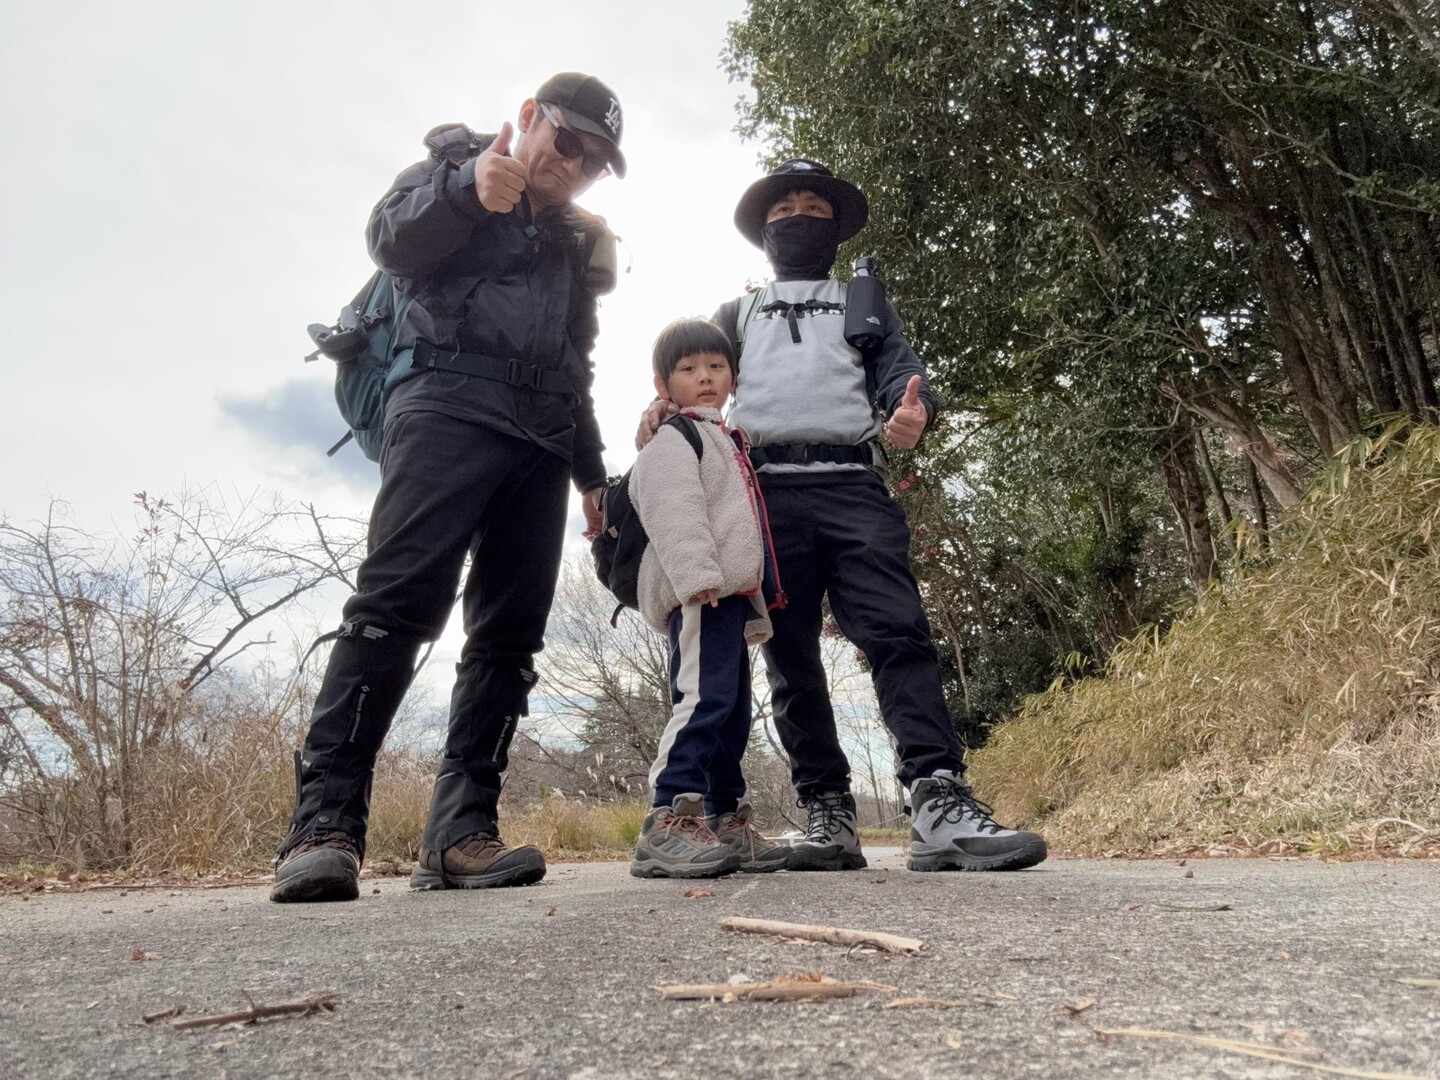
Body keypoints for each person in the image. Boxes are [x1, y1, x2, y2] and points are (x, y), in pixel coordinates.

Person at [272, 72, 627, 903]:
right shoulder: (452, 171)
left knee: (510, 635)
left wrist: (591, 474)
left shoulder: (576, 243)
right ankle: (323, 827)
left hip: (540, 436)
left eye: (596, 159)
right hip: (442, 409)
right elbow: (388, 240)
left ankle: (460, 832)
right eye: (568, 140)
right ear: (531, 117)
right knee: (394, 604)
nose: (575, 164)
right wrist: (468, 192)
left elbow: (577, 365)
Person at [638, 160, 1047, 873]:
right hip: (761, 495)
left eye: (813, 207)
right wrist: (661, 415)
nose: (797, 216)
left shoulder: (865, 305)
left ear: (835, 229)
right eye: (783, 207)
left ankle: (937, 795)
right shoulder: (736, 316)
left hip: (854, 483)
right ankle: (828, 812)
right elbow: (695, 382)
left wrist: (913, 413)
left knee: (896, 630)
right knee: (789, 656)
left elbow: (902, 377)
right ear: (763, 233)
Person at [627, 319, 792, 879]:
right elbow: (674, 511)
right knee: (700, 700)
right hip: (702, 591)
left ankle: (724, 816)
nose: (704, 377)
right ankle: (669, 813)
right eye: (689, 369)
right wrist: (697, 575)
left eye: (716, 367)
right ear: (662, 382)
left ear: (734, 377)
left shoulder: (725, 437)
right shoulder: (676, 439)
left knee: (732, 710)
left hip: (730, 593)